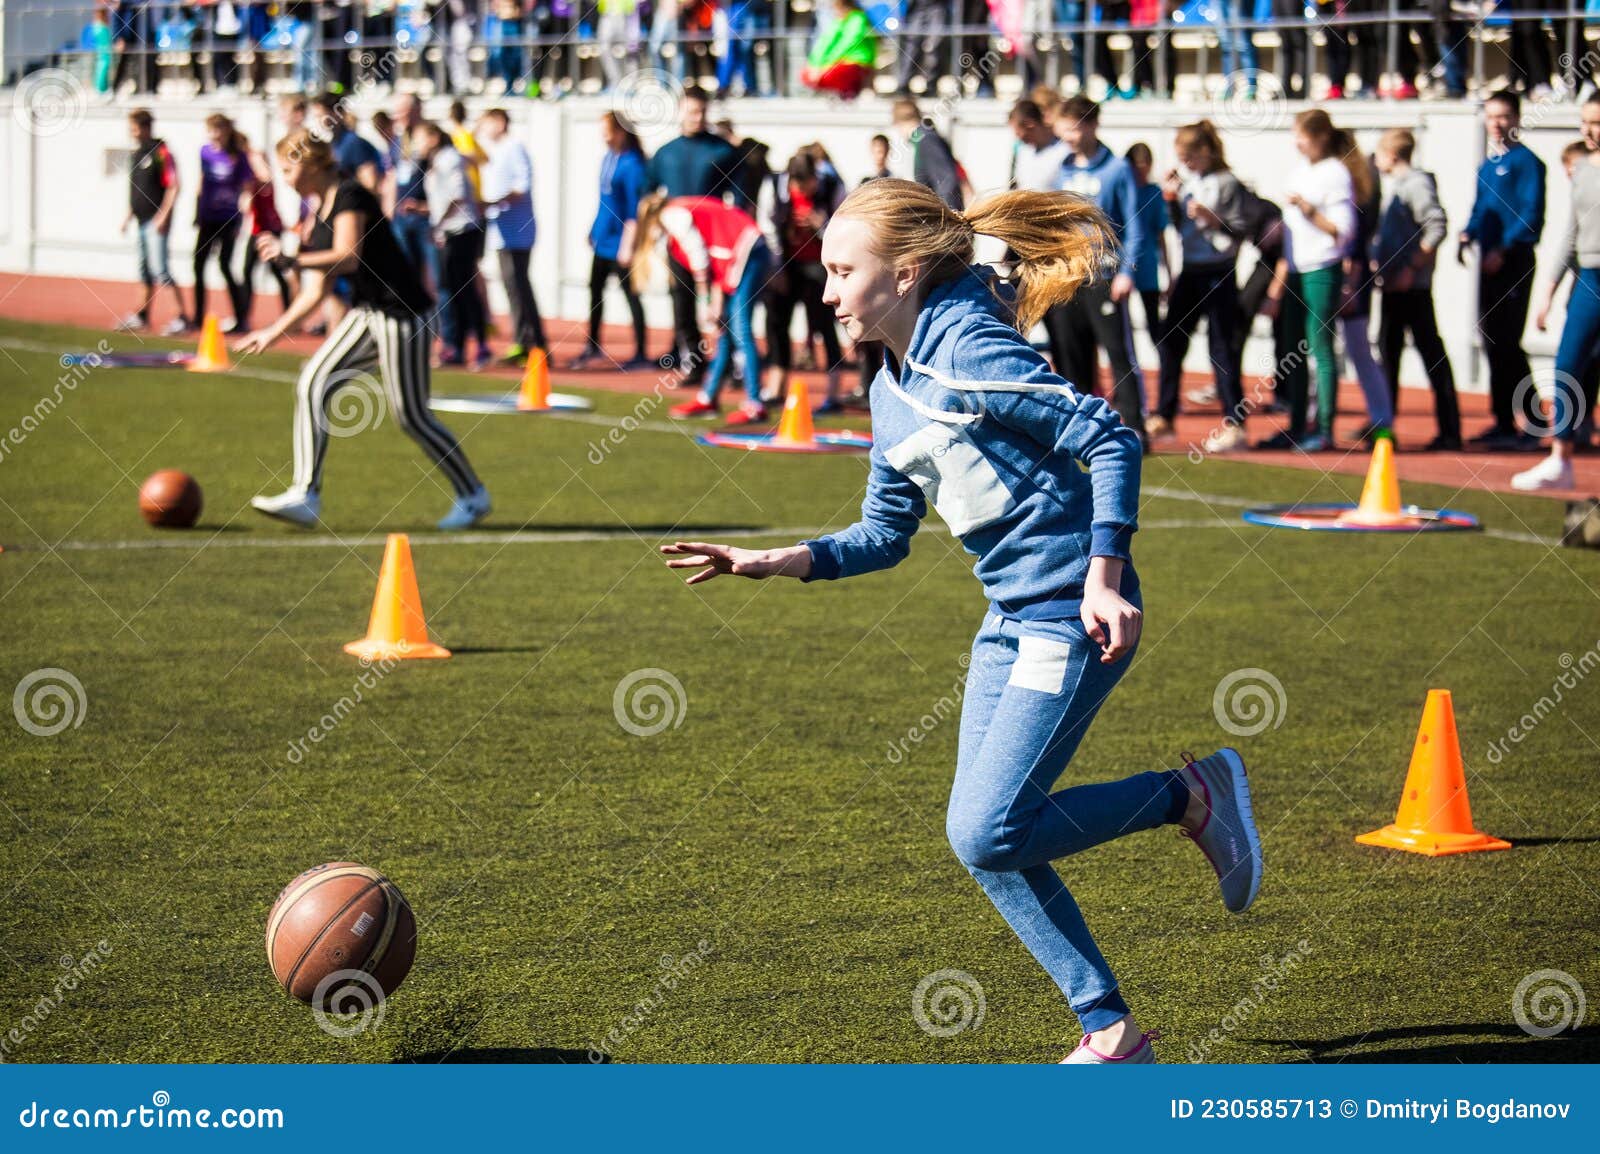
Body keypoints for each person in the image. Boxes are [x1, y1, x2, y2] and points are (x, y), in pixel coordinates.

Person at [658, 179, 1263, 1064]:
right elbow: (883, 535)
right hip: (1010, 618)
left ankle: (1186, 797)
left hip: (1070, 612)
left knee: (987, 829)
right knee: (984, 840)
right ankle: (1112, 1034)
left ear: (904, 274)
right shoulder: (889, 386)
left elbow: (1108, 438)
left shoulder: (968, 348)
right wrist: (777, 559)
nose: (826, 293)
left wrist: (1104, 576)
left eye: (843, 272)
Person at [233, 131, 489, 531]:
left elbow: (348, 256)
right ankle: (305, 494)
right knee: (313, 382)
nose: (283, 177)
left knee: (411, 417)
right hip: (369, 313)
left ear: (311, 164)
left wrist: (291, 259)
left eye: (288, 168)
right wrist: (272, 331)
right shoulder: (319, 210)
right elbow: (316, 290)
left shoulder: (349, 194)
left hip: (403, 314)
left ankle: (473, 494)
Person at [1053, 96, 1149, 441]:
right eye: (1064, 130)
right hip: (1069, 277)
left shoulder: (1117, 169)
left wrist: (1126, 272)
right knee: (1072, 353)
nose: (1068, 137)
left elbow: (1135, 225)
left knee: (1117, 353)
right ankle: (1082, 429)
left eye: (1074, 129)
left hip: (1105, 277)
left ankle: (1134, 426)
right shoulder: (1062, 170)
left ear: (1092, 125)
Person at [1515, 101, 1600, 491]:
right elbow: (1571, 233)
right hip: (1590, 279)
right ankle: (1560, 460)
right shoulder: (1583, 170)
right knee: (1567, 363)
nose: (1588, 131)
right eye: (1584, 122)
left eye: (1596, 123)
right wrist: (1547, 291)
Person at [1152, 122, 1251, 452]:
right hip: (1191, 269)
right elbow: (1180, 227)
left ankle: (1235, 423)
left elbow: (1240, 230)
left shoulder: (1228, 183)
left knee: (1221, 348)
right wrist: (1170, 200)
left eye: (1189, 157)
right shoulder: (1189, 182)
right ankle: (1164, 415)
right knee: (1170, 340)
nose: (1185, 163)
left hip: (1219, 270)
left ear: (1205, 152)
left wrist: (1212, 218)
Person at [1264, 109, 1356, 452]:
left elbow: (1344, 232)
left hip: (1322, 267)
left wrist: (1308, 210)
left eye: (1301, 136)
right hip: (1296, 270)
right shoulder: (1300, 172)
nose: (1296, 143)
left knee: (1320, 347)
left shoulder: (1336, 173)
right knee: (1292, 349)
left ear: (1319, 137)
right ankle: (1298, 424)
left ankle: (1325, 428)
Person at [636, 194, 773, 424]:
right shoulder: (680, 207)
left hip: (745, 250)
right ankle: (709, 396)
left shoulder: (672, 215)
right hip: (737, 253)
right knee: (726, 331)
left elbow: (699, 254)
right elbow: (714, 247)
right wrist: (715, 297)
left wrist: (706, 299)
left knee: (740, 328)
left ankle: (755, 403)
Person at [1460, 90, 1546, 450]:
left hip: (1513, 263)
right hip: (1488, 264)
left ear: (1517, 119)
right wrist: (1467, 233)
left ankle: (1535, 421)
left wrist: (1505, 248)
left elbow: (1531, 214)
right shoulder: (1487, 165)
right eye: (1491, 116)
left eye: (1503, 116)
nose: (1496, 124)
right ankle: (1502, 421)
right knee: (1492, 339)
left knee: (1508, 340)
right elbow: (1480, 209)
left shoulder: (1528, 163)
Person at [645, 88, 743, 388]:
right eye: (691, 111)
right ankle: (695, 364)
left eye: (701, 111)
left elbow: (740, 199)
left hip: (715, 242)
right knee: (682, 302)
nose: (696, 117)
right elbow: (649, 195)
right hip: (678, 241)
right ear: (680, 111)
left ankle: (729, 365)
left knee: (722, 305)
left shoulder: (723, 151)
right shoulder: (665, 152)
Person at [1373, 128, 1461, 452]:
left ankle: (1450, 431)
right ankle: (1384, 425)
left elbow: (1436, 225)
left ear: (1392, 155)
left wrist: (1411, 268)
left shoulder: (1415, 184)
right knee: (1388, 355)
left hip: (1411, 287)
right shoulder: (1397, 185)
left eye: (1379, 154)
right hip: (1394, 286)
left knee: (1430, 354)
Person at [759, 151, 848, 411]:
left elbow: (844, 229)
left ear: (814, 178)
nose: (803, 191)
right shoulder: (774, 186)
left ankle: (834, 392)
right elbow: (767, 226)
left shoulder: (832, 186)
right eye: (798, 186)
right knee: (776, 320)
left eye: (808, 184)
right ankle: (776, 386)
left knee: (825, 323)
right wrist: (776, 268)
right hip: (786, 262)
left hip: (819, 264)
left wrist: (821, 225)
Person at [573, 113, 652, 370]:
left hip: (621, 243)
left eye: (607, 131)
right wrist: (594, 229)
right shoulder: (608, 158)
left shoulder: (633, 164)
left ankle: (641, 353)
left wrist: (627, 245)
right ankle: (592, 345)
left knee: (631, 295)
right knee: (595, 291)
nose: (604, 136)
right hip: (603, 241)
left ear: (620, 132)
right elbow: (604, 201)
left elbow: (634, 209)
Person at [1332, 130, 1395, 445]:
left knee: (1355, 351)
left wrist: (1350, 284)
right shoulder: (1361, 182)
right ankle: (1381, 420)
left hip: (1349, 277)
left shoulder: (1356, 185)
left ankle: (1382, 422)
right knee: (1352, 352)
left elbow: (1356, 243)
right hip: (1348, 276)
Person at [414, 121, 490, 369]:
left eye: (420, 138)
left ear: (434, 137)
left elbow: (457, 197)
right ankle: (456, 347)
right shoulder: (436, 161)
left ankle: (480, 345)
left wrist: (438, 223)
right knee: (451, 289)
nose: (416, 144)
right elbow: (443, 199)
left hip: (462, 232)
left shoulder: (450, 158)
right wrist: (424, 210)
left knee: (464, 289)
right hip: (448, 232)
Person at [476, 108, 547, 366]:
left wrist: (493, 202)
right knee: (512, 287)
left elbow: (521, 187)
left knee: (519, 286)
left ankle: (535, 344)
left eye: (487, 122)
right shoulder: (492, 152)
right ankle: (523, 341)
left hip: (518, 232)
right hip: (502, 233)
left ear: (500, 122)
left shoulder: (514, 148)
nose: (484, 127)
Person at [117, 109, 189, 335]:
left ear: (146, 128)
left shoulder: (161, 153)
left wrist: (163, 215)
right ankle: (141, 316)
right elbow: (137, 189)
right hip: (140, 220)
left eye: (135, 128)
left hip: (155, 221)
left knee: (161, 269)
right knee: (144, 270)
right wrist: (128, 215)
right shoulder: (136, 154)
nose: (132, 133)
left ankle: (180, 318)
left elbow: (174, 186)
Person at [193, 113, 254, 336]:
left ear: (227, 131)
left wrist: (242, 218)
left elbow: (247, 188)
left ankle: (240, 317)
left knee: (225, 265)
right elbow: (201, 182)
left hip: (228, 218)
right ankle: (198, 317)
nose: (214, 135)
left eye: (218, 130)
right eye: (211, 130)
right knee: (198, 264)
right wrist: (197, 211)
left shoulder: (238, 156)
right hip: (208, 216)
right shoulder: (205, 152)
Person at [239, 132, 294, 331]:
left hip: (268, 230)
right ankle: (244, 317)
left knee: (276, 271)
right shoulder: (249, 177)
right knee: (248, 271)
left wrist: (253, 163)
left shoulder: (260, 174)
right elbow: (245, 205)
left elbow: (265, 177)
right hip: (258, 230)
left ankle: (289, 316)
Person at [1125, 142, 1168, 357]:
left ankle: (1165, 369)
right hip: (1122, 266)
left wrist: (1169, 272)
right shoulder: (1123, 191)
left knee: (1154, 325)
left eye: (1146, 169)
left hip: (1148, 267)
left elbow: (1161, 235)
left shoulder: (1154, 193)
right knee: (1120, 326)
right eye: (1137, 170)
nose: (1142, 175)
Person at [891, 99, 963, 210]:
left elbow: (946, 180)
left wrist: (948, 213)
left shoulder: (926, 139)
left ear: (899, 123)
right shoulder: (921, 138)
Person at [801, 0, 877, 99]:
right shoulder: (838, 21)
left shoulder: (857, 18)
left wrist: (827, 65)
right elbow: (825, 43)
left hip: (855, 61)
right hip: (837, 62)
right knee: (806, 74)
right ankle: (841, 94)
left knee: (830, 74)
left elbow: (849, 43)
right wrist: (815, 64)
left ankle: (847, 93)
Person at [309, 92, 382, 192]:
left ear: (336, 113)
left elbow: (370, 183)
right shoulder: (333, 144)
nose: (319, 121)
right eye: (316, 116)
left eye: (321, 115)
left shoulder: (354, 142)